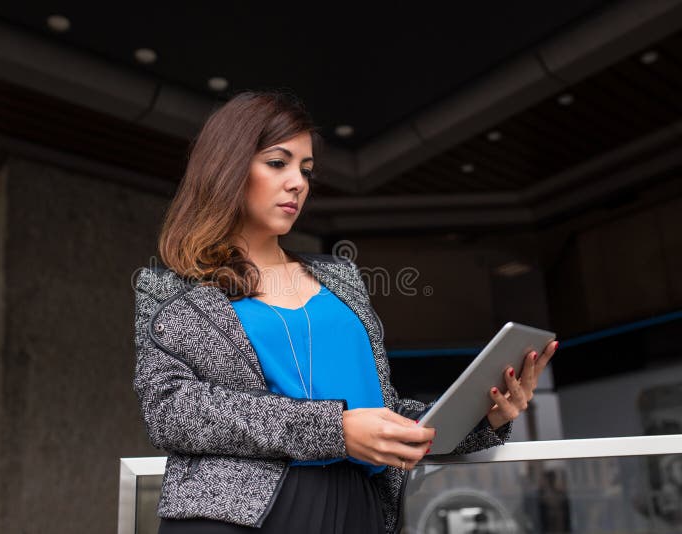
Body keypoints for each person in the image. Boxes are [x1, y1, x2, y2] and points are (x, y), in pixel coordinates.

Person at [132, 90, 559, 534]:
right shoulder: (172, 286)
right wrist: (334, 429)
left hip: (359, 508)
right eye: (278, 163)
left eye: (306, 169)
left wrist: (483, 415)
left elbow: (379, 411)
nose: (298, 182)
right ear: (229, 167)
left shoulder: (341, 278)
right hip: (239, 516)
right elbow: (171, 410)